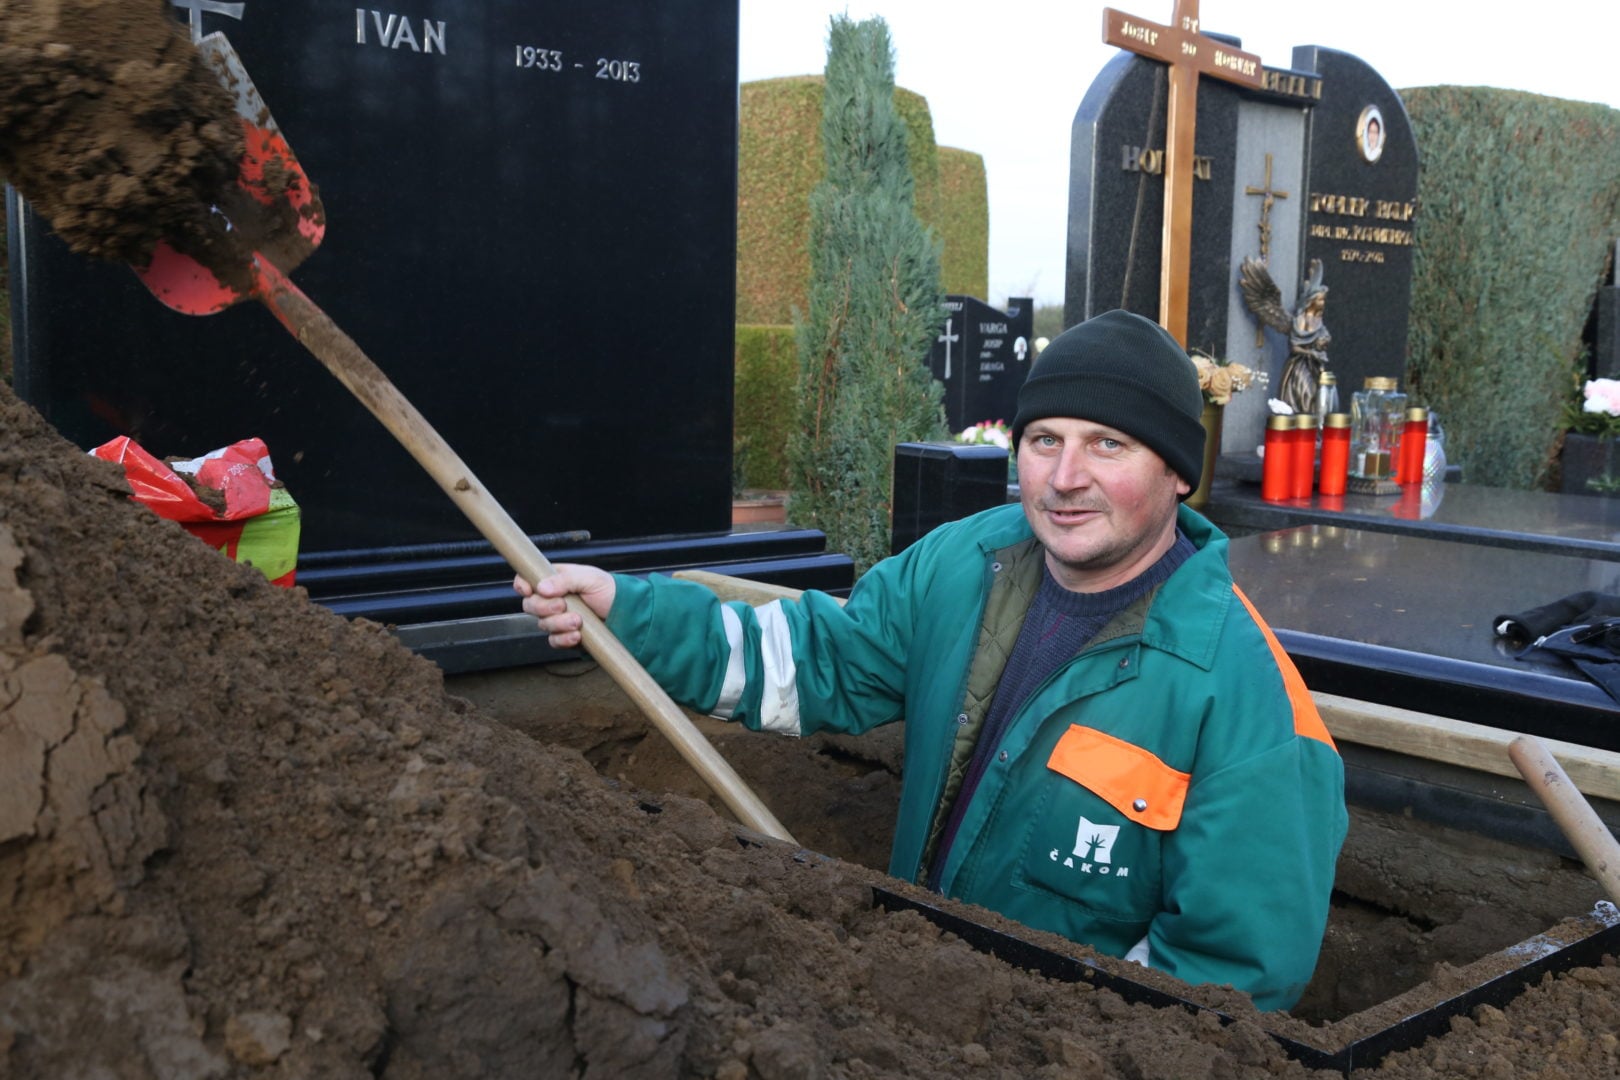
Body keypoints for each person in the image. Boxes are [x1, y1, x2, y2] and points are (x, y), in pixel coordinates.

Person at [517, 309, 1347, 1011]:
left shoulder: (1249, 706)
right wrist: (633, 614)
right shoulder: (961, 563)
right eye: (1045, 439)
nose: (1063, 478)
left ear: (1175, 474)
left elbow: (1226, 980)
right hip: (915, 1002)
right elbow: (822, 662)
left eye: (1107, 447)